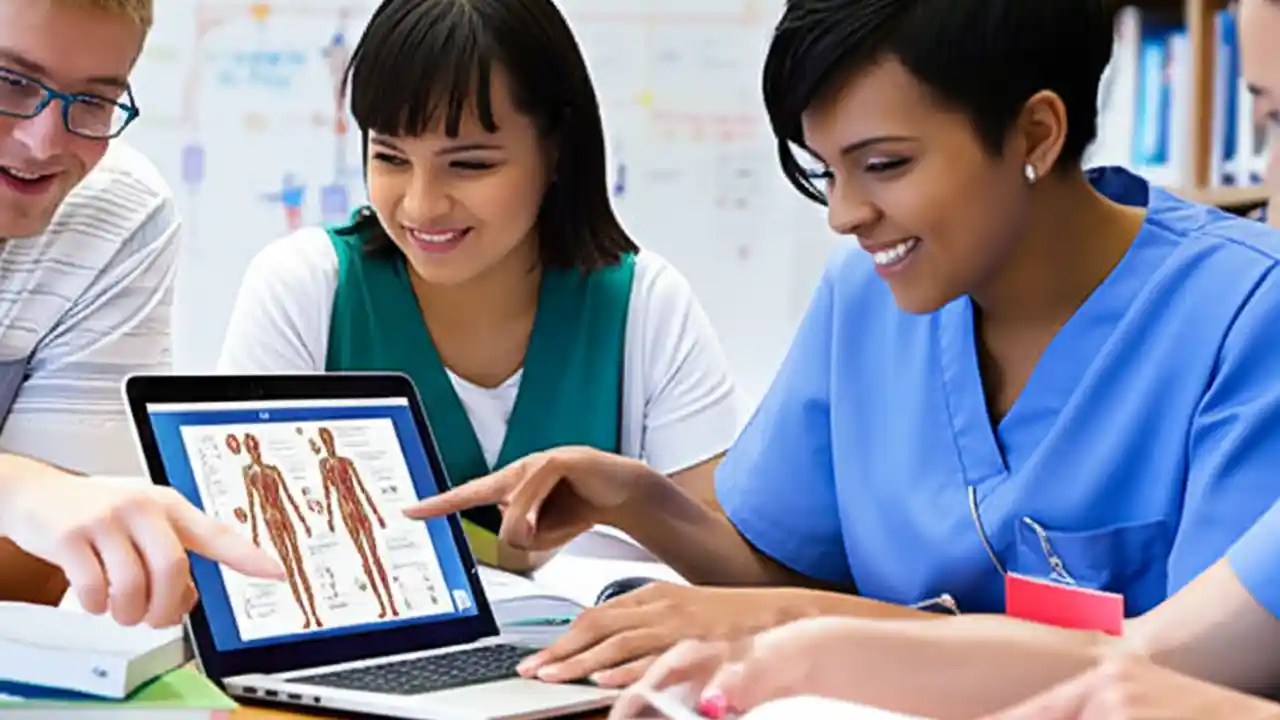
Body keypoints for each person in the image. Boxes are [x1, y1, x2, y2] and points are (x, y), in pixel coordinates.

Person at [404, 0, 1280, 691]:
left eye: (886, 165)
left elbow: (1183, 669)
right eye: (827, 170)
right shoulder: (869, 293)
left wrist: (800, 628)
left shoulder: (1245, 312)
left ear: (1037, 134)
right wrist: (638, 503)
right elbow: (786, 567)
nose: (844, 213)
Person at [217, 0, 742, 572]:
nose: (421, 205)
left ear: (557, 151)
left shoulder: (645, 305)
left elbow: (722, 571)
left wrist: (635, 506)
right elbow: (247, 551)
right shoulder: (304, 288)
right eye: (390, 158)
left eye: (468, 165)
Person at [0, 0, 282, 628]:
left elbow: (60, 556)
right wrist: (15, 489)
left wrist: (40, 508)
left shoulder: (116, 213)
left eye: (94, 102)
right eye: (8, 83)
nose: (41, 142)